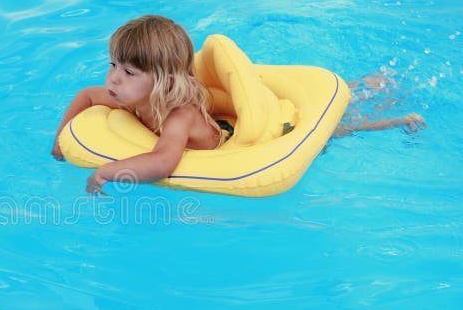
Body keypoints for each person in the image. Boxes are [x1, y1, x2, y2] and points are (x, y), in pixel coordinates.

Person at [51, 15, 425, 194]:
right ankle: (367, 89)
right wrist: (59, 141)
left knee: (336, 132)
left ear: (163, 82)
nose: (113, 79)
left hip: (244, 138)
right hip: (216, 119)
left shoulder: (178, 115)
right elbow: (85, 96)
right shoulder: (127, 98)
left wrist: (106, 172)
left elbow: (164, 160)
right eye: (112, 64)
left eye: (129, 72)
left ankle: (388, 113)